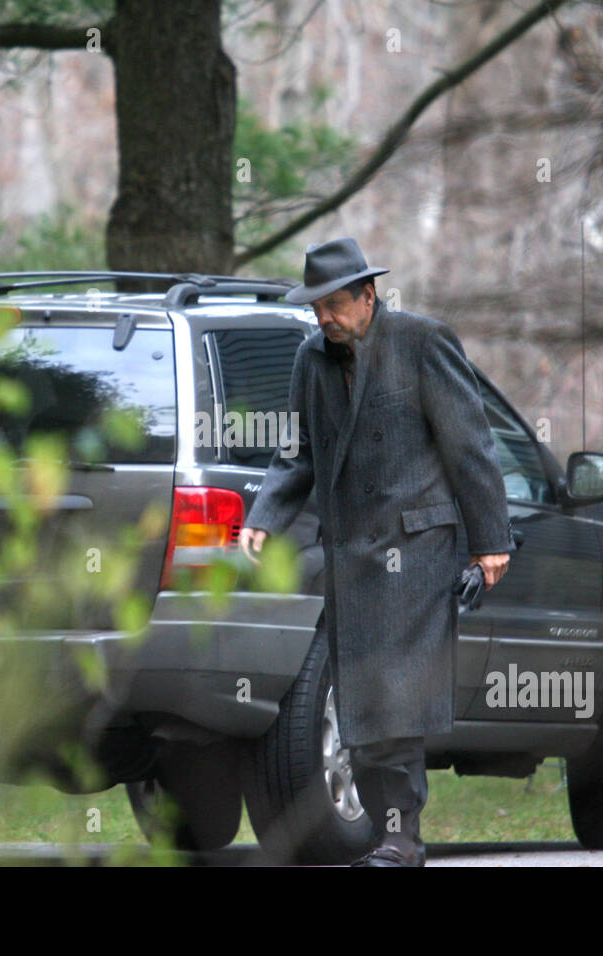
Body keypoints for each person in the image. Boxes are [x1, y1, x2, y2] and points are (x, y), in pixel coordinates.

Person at [240, 236, 514, 867]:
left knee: (394, 699)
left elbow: (469, 445)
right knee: (359, 706)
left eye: (335, 305)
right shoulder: (312, 359)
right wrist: (267, 516)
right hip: (349, 561)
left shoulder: (423, 342)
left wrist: (490, 541)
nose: (324, 318)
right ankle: (390, 837)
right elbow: (299, 452)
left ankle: (401, 838)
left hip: (415, 552)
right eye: (316, 308)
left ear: (368, 296)